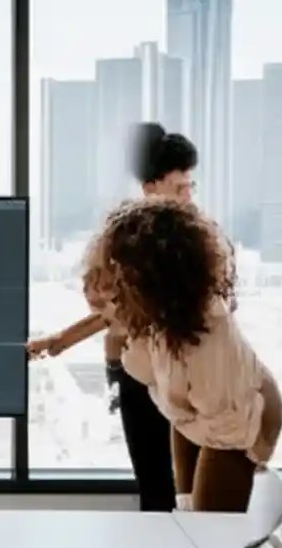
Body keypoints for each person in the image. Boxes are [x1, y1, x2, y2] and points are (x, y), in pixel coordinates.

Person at [27, 123, 197, 511]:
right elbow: (110, 309)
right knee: (156, 485)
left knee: (186, 488)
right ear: (152, 186)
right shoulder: (131, 236)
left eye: (191, 186)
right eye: (180, 187)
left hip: (181, 374)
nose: (188, 196)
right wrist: (59, 341)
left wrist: (60, 341)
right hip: (140, 375)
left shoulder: (190, 239)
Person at [84, 198, 282, 512]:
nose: (112, 298)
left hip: (237, 422)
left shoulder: (204, 343)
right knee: (186, 514)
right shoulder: (153, 319)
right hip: (192, 416)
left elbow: (224, 425)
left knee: (209, 528)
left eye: (119, 285)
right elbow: (179, 410)